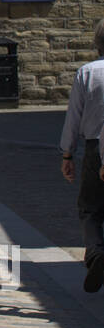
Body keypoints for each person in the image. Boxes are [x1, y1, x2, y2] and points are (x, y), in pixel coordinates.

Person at [60, 18, 104, 292]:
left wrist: (67, 153)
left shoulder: (87, 73)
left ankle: (96, 250)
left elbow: (73, 118)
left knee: (90, 207)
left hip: (94, 148)